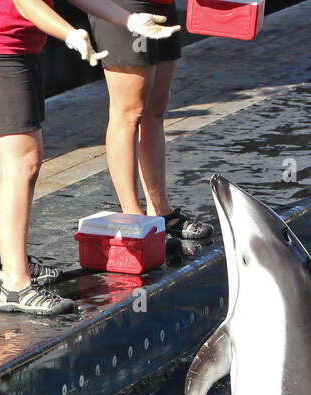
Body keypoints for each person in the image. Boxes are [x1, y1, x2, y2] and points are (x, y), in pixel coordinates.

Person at [0, 0, 180, 316]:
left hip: (14, 46)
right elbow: (27, 3)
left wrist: (128, 21)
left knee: (1, 157)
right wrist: (70, 34)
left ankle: (11, 265)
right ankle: (16, 286)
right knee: (24, 160)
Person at [85, 1, 214, 243]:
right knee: (129, 113)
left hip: (161, 5)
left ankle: (160, 212)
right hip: (123, 6)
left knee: (156, 109)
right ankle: (132, 217)